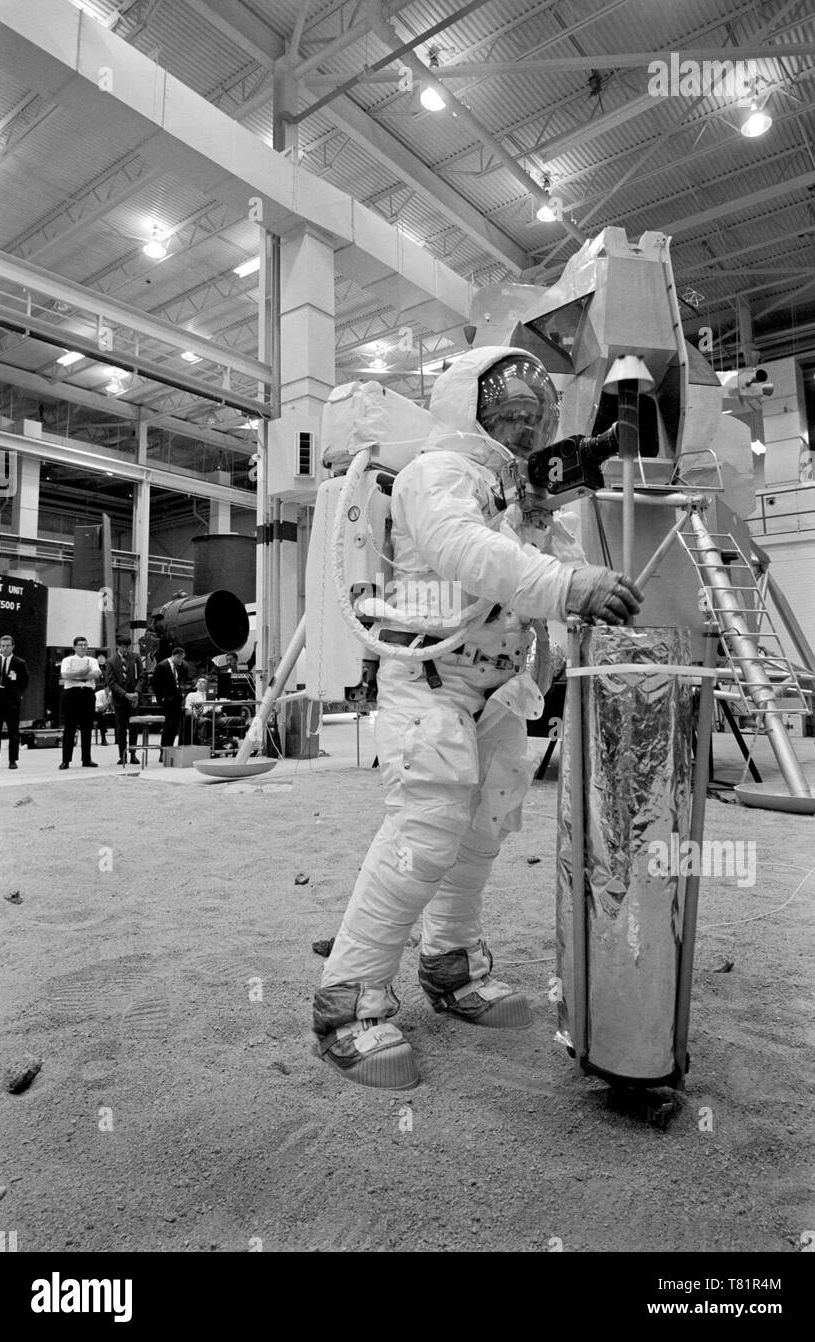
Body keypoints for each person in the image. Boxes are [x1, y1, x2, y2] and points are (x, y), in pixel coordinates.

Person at [312, 347, 644, 1091]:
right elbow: (460, 549)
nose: (523, 432)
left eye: (535, 418)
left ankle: (449, 963)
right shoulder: (438, 474)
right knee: (424, 831)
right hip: (430, 677)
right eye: (508, 416)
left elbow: (545, 567)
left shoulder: (518, 498)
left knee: (483, 831)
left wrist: (564, 629)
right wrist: (570, 585)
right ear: (471, 410)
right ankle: (348, 1002)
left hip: (498, 687)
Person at [0, 633, 30, 770]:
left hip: (11, 701)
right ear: (0, 647)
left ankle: (12, 760)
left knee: (13, 732)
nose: (5, 648)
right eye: (2, 646)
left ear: (13, 647)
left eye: (8, 646)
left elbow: (25, 681)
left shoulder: (20, 663)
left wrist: (17, 694)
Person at [58, 636, 101, 769]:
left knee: (87, 728)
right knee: (69, 728)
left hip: (87, 695)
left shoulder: (93, 660)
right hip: (71, 695)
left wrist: (75, 675)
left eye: (85, 645)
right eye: (80, 645)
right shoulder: (67, 660)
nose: (83, 647)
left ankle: (86, 759)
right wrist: (83, 672)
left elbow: (96, 674)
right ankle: (66, 760)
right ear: (74, 647)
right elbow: (65, 675)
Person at [106, 634, 144, 765]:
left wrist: (136, 692)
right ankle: (122, 755)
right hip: (120, 699)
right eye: (122, 647)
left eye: (127, 647)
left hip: (134, 698)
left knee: (133, 727)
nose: (125, 649)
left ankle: (133, 753)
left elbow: (142, 677)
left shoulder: (135, 657)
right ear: (118, 646)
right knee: (121, 728)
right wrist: (125, 694)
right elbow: (111, 681)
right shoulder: (111, 661)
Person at [152, 646, 187, 754]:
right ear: (177, 656)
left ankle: (170, 750)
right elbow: (156, 684)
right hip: (167, 701)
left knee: (174, 727)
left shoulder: (179, 667)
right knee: (168, 726)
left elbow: (180, 680)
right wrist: (161, 698)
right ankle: (164, 751)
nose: (182, 661)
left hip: (176, 701)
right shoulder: (162, 666)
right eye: (181, 658)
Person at [94, 652, 112, 744]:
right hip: (95, 713)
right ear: (105, 688)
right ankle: (103, 739)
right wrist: (108, 702)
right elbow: (99, 709)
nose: (109, 691)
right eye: (108, 689)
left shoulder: (113, 694)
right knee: (102, 717)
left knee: (117, 717)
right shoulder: (99, 694)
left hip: (107, 713)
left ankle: (118, 740)